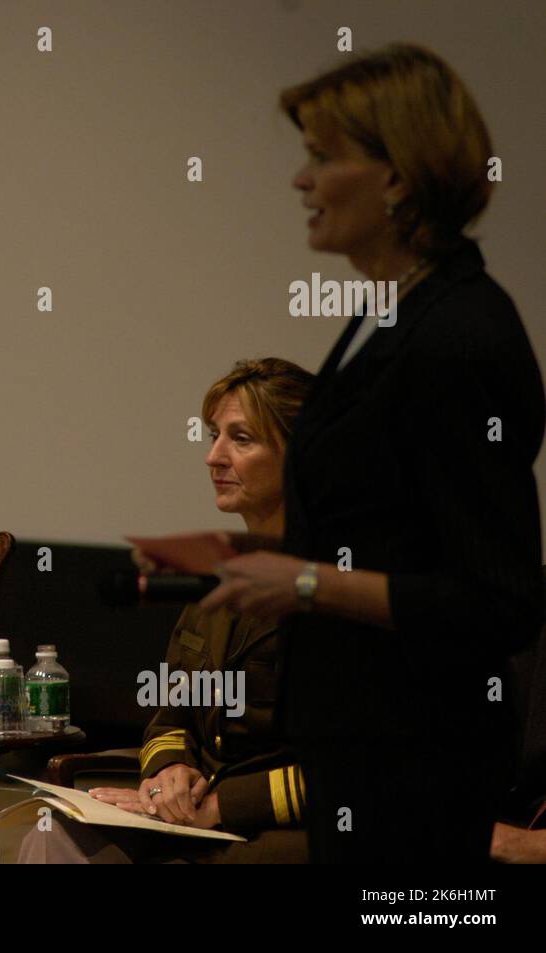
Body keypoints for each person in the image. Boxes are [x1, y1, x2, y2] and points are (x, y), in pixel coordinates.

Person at [199, 44, 544, 863]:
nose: (300, 180)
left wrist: (308, 580)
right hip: (358, 746)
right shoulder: (387, 316)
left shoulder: (460, 333)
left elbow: (497, 597)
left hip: (420, 758)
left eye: (323, 157)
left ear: (396, 178)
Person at [20, 358, 315, 863]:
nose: (213, 457)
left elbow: (363, 764)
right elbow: (171, 710)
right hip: (196, 817)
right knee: (51, 836)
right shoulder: (214, 576)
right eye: (214, 435)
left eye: (241, 439)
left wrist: (223, 804)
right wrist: (167, 773)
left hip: (289, 826)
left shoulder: (338, 585)